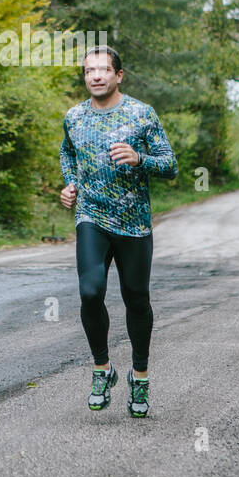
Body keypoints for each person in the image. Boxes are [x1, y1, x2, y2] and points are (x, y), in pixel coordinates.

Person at [58, 45, 177, 417]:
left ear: (118, 75)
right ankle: (102, 368)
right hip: (91, 217)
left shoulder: (142, 114)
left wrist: (141, 159)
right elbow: (67, 153)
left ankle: (139, 376)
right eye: (89, 70)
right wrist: (70, 184)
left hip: (134, 223)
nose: (95, 76)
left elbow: (170, 165)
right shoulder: (74, 117)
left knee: (136, 298)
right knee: (90, 292)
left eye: (103, 70)